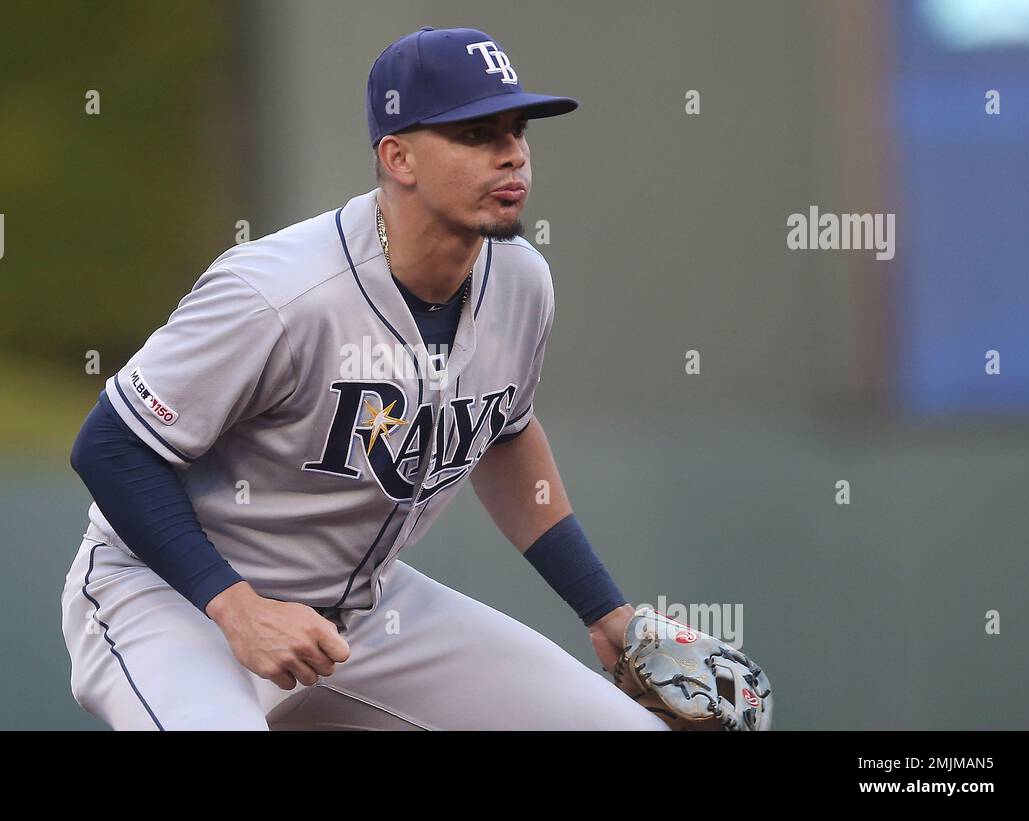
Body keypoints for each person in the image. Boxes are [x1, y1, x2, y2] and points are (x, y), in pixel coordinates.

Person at [60, 25, 668, 730]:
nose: (512, 155)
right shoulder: (280, 293)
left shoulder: (521, 281)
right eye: (477, 133)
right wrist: (237, 605)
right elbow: (108, 446)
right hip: (174, 600)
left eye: (517, 128)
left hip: (362, 611)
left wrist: (605, 611)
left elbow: (505, 438)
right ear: (398, 156)